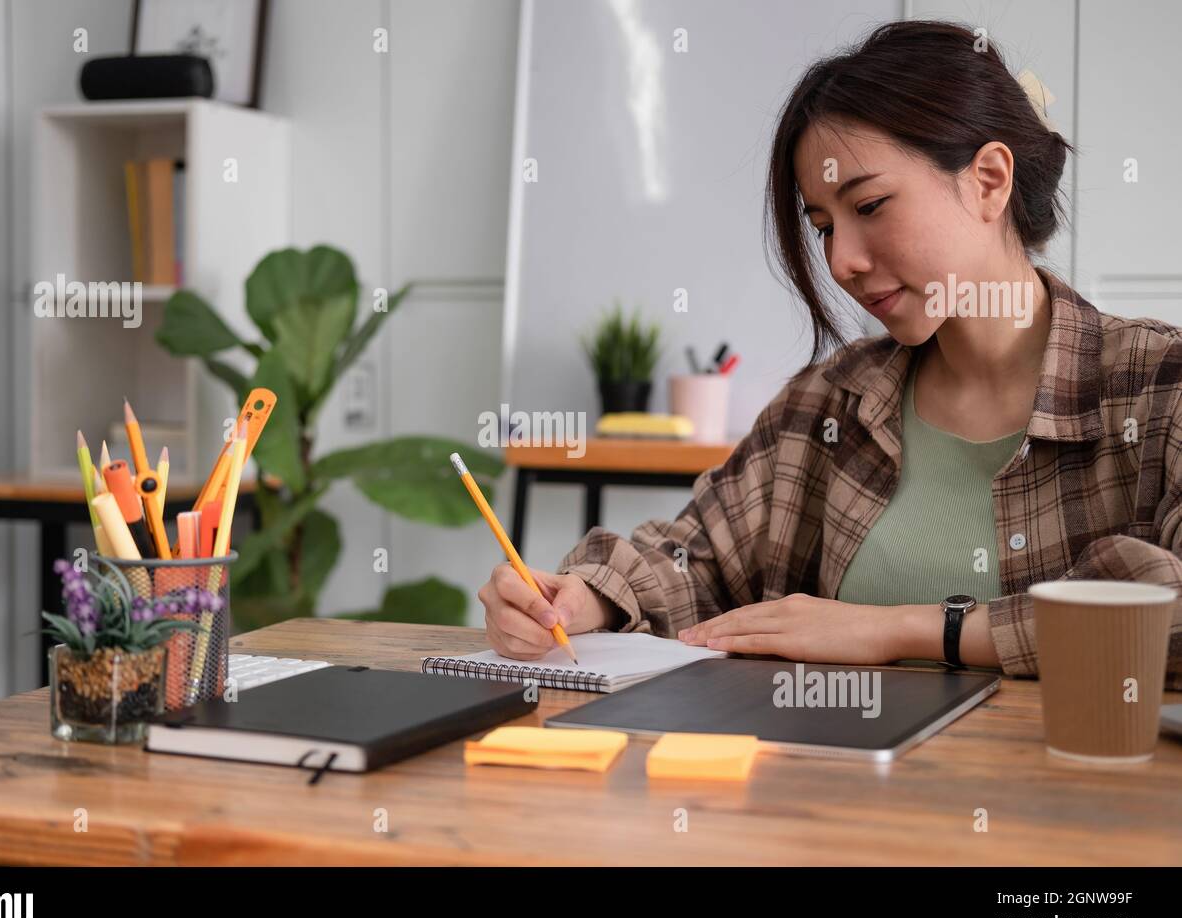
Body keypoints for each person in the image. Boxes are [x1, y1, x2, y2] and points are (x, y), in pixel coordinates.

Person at [478, 20, 1182, 690]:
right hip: (826, 809)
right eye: (822, 226)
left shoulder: (1157, 389)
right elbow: (693, 560)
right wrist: (584, 600)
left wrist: (902, 631)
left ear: (989, 180)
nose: (842, 261)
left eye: (869, 205)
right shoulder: (827, 404)